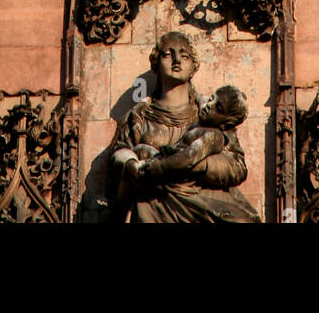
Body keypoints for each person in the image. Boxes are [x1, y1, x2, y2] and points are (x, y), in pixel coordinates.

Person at [108, 32, 261, 222]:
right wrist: (132, 164)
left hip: (202, 200)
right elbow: (120, 152)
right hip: (155, 199)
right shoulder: (139, 116)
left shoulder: (212, 113)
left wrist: (197, 165)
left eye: (185, 55)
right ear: (156, 63)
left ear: (193, 66)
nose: (177, 60)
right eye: (167, 54)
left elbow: (237, 167)